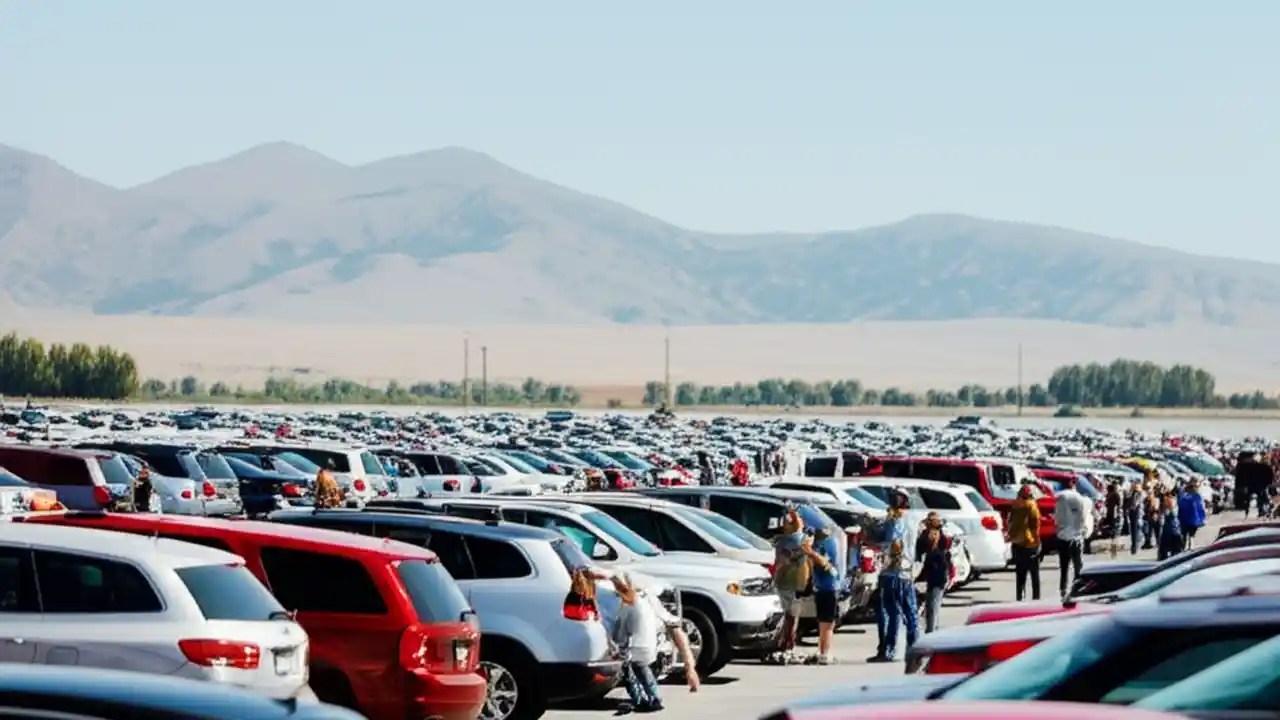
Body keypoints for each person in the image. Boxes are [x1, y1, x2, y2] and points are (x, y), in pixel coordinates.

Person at [868, 488, 918, 663]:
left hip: (893, 572)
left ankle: (888, 650)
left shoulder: (896, 519)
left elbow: (894, 541)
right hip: (906, 572)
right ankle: (914, 649)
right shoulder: (912, 519)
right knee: (910, 612)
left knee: (892, 613)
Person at [610, 573, 663, 714]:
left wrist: (617, 646)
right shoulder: (644, 602)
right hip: (648, 645)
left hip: (634, 648)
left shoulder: (627, 609)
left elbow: (621, 633)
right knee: (645, 672)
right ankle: (655, 697)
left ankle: (640, 700)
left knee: (630, 675)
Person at [766, 509, 810, 665]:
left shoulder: (790, 541)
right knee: (792, 615)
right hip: (796, 583)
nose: (783, 525)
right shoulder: (802, 539)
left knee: (786, 615)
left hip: (787, 582)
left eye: (786, 523)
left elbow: (782, 563)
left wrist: (776, 576)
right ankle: (789, 643)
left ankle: (785, 643)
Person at [1054, 475, 1094, 599]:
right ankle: (1077, 588)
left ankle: (1063, 589)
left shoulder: (1060, 497)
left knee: (1064, 567)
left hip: (1063, 536)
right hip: (1077, 536)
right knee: (1078, 566)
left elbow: (1058, 517)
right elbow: (1087, 517)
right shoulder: (1083, 499)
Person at [807, 522, 841, 665]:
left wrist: (809, 550)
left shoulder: (823, 545)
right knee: (826, 623)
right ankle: (824, 654)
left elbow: (823, 562)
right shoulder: (829, 543)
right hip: (827, 588)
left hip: (825, 587)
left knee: (825, 623)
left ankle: (823, 651)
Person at [915, 512, 951, 632]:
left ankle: (932, 633)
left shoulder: (941, 539)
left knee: (932, 608)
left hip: (938, 577)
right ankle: (932, 631)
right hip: (930, 577)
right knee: (931, 608)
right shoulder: (925, 536)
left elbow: (944, 552)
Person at [1007, 484, 1042, 601]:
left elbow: (1010, 522)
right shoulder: (1031, 505)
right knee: (1034, 574)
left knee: (1020, 573)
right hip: (1030, 542)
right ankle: (1036, 597)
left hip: (1017, 542)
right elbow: (1035, 525)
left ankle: (1020, 596)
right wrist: (1038, 542)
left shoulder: (1015, 505)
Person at [1235, 452, 1274, 517]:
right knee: (1262, 498)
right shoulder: (1262, 466)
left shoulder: (1242, 467)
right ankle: (1263, 511)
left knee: (1261, 498)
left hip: (1253, 485)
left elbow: (1239, 478)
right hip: (1256, 485)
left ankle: (1262, 511)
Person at [1178, 479, 1207, 549]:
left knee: (1185, 534)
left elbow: (1180, 506)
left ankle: (1185, 546)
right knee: (1190, 534)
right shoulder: (1196, 496)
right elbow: (1201, 507)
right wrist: (1203, 518)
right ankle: (1189, 545)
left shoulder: (1184, 496)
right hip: (1192, 520)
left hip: (1185, 520)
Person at [1157, 493, 1184, 561]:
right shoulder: (1164, 508)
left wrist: (1170, 508)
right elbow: (1161, 519)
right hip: (1168, 530)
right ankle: (1164, 557)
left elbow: (1175, 515)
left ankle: (1174, 556)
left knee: (1175, 547)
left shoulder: (1175, 508)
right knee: (1165, 547)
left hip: (1174, 530)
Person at [1126, 481, 1147, 556]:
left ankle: (1135, 546)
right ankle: (1134, 545)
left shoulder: (1141, 493)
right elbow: (1128, 500)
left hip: (1138, 513)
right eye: (1135, 485)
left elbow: (1136, 502)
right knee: (1133, 530)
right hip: (1132, 512)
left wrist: (1131, 505)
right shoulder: (1132, 492)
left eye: (1137, 485)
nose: (1135, 486)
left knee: (1137, 529)